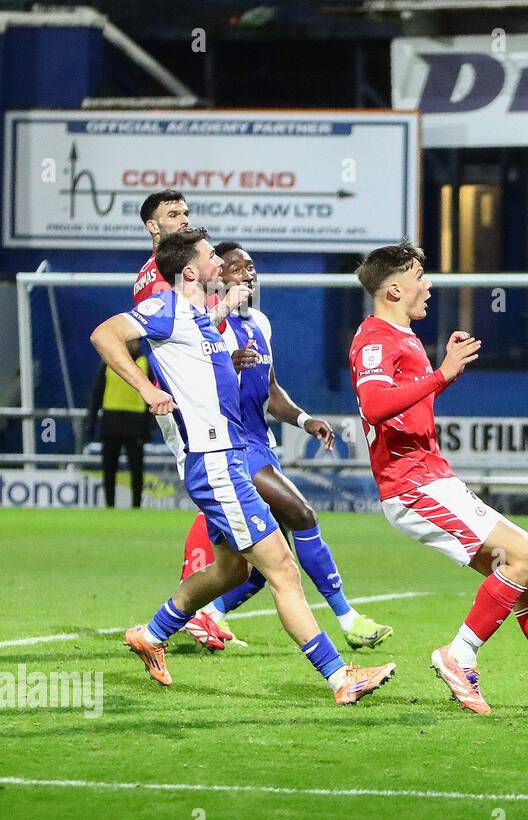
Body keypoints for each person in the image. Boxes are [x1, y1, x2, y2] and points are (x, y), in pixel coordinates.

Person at [89, 227, 396, 704]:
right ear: (190, 271)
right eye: (212, 256)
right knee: (282, 570)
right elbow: (104, 334)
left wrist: (225, 308)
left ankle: (151, 634)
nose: (220, 261)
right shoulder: (165, 308)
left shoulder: (196, 316)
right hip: (216, 463)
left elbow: (203, 339)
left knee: (232, 572)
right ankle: (340, 677)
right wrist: (145, 389)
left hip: (224, 460)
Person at [349, 240, 528, 717]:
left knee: (525, 577)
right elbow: (375, 406)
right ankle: (458, 655)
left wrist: (443, 369)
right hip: (412, 486)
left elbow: (406, 403)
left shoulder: (401, 338)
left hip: (430, 478)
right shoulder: (377, 338)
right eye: (420, 277)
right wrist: (442, 374)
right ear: (395, 289)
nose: (429, 285)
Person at [185, 242, 393, 649]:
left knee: (257, 566)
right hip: (230, 449)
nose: (248, 272)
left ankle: (207, 614)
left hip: (260, 443)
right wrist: (225, 364)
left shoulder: (260, 323)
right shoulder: (206, 327)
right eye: (235, 267)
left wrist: (305, 420)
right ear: (216, 276)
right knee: (303, 514)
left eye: (251, 266)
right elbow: (190, 383)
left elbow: (272, 390)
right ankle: (349, 620)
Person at [132, 190, 231, 650]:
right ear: (153, 226)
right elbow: (172, 330)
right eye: (172, 214)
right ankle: (196, 609)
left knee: (223, 495)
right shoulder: (157, 279)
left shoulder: (190, 271)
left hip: (205, 399)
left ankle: (204, 606)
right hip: (184, 404)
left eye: (186, 211)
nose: (182, 218)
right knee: (209, 493)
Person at [85, 342, 154, 509]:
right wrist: (92, 422)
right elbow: (97, 393)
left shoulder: (145, 364)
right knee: (109, 470)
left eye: (134, 341)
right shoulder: (110, 364)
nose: (131, 345)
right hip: (111, 424)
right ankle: (109, 505)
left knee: (137, 471)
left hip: (135, 425)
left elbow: (152, 397)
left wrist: (148, 426)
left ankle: (136, 506)